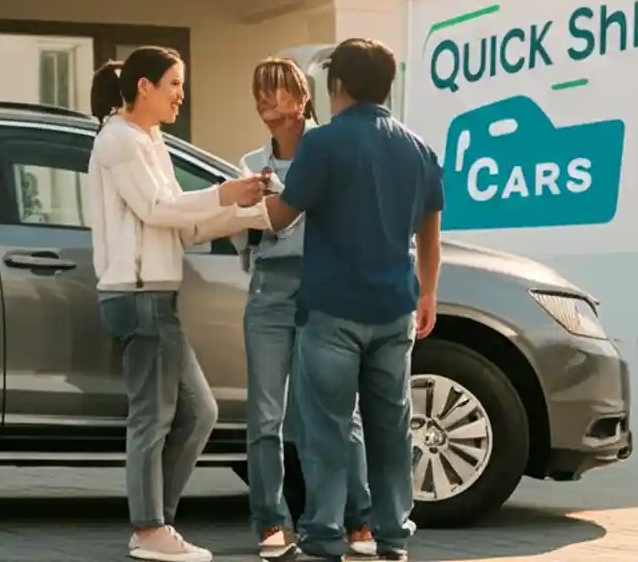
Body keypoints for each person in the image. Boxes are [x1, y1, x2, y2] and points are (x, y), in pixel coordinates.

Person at [261, 38, 443, 562]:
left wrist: (247, 198)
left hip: (332, 311)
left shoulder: (323, 145)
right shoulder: (417, 148)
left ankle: (321, 534)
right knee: (390, 427)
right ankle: (392, 537)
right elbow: (429, 231)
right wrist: (427, 292)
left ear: (336, 85)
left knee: (326, 429)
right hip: (395, 310)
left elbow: (282, 216)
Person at [86, 45, 269, 562]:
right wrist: (226, 192)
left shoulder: (149, 140)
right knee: (153, 417)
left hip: (156, 296)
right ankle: (149, 531)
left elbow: (184, 226)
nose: (180, 96)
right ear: (143, 86)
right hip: (138, 296)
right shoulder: (119, 140)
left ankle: (155, 524)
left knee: (199, 412)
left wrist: (250, 211)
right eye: (173, 84)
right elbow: (159, 208)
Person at [232, 59, 375, 561]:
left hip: (324, 290)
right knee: (266, 415)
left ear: (302, 96)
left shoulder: (334, 149)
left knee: (339, 411)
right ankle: (270, 521)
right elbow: (241, 237)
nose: (265, 103)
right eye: (259, 94)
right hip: (269, 291)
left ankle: (358, 519)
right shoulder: (250, 161)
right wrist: (253, 206)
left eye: (275, 92)